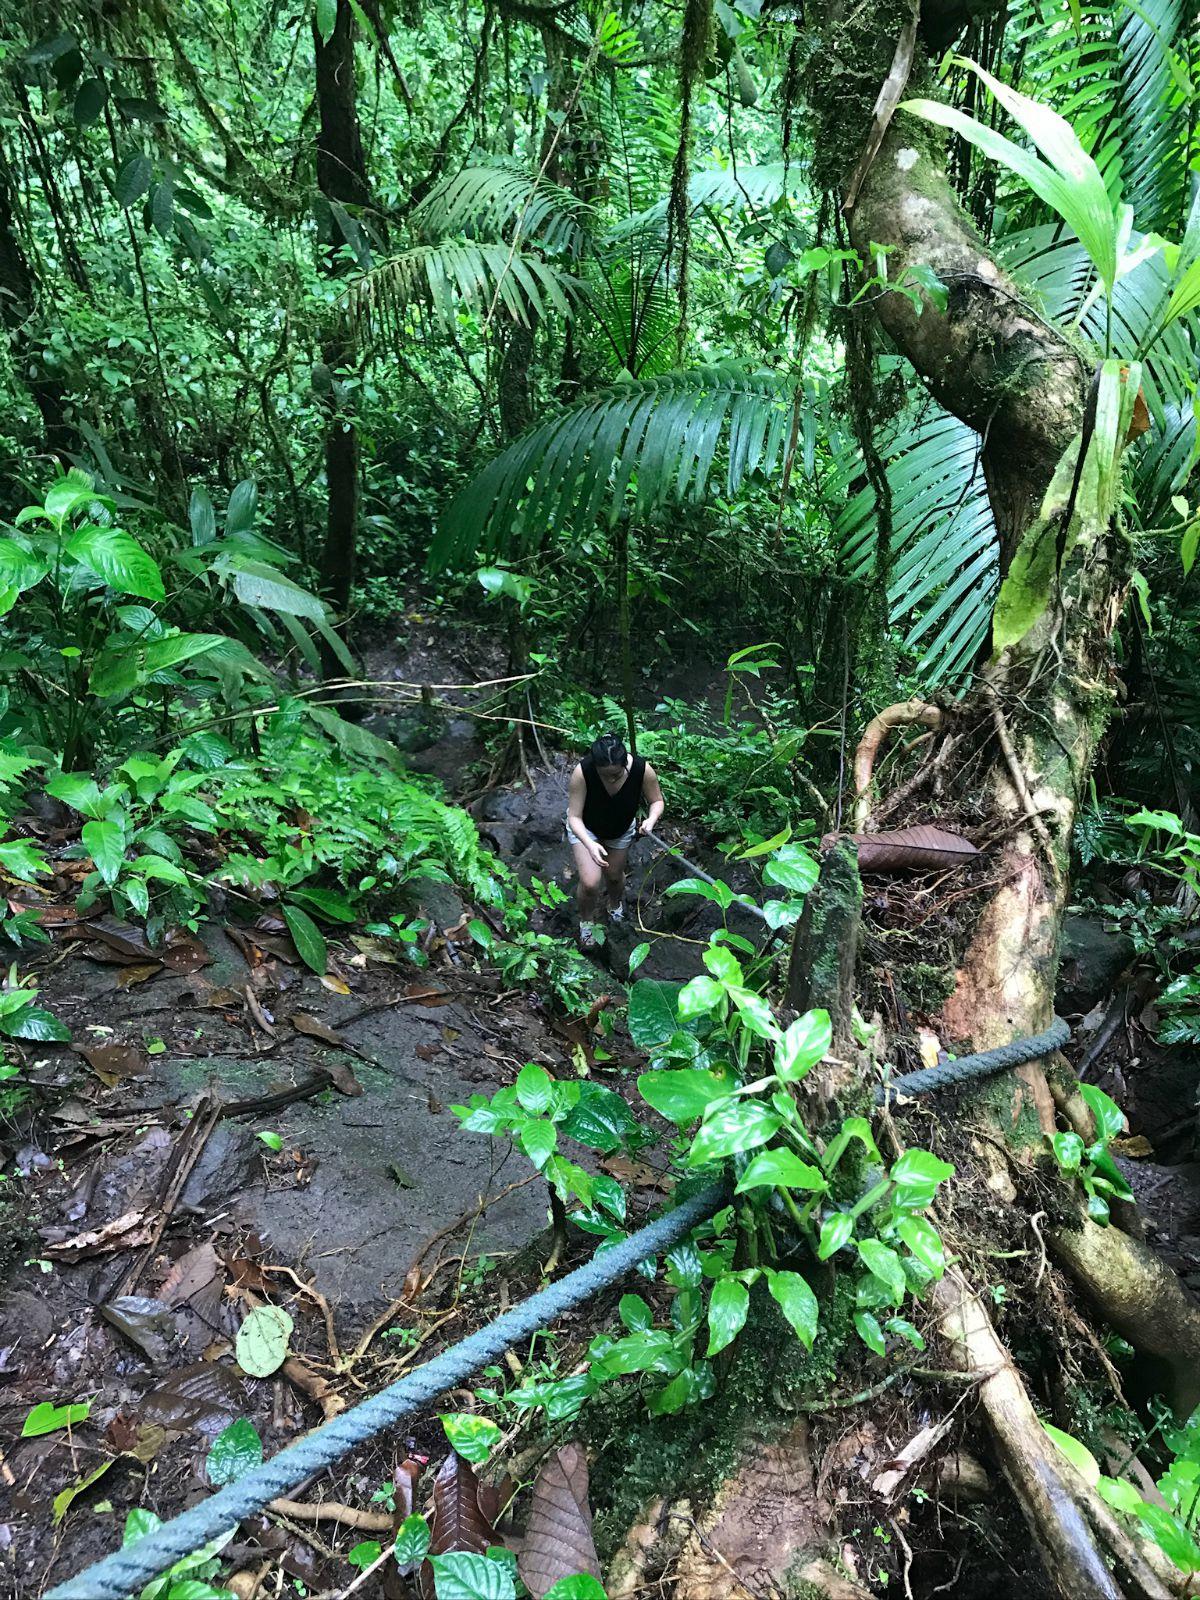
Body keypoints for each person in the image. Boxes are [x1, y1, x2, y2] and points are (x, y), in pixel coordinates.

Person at [566, 732, 664, 947]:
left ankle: (614, 905)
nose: (611, 779)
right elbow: (573, 816)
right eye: (605, 775)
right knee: (591, 883)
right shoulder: (583, 772)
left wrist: (651, 820)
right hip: (586, 830)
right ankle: (586, 922)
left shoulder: (641, 769)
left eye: (616, 775)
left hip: (620, 830)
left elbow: (656, 800)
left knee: (613, 876)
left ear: (625, 764)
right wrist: (591, 845)